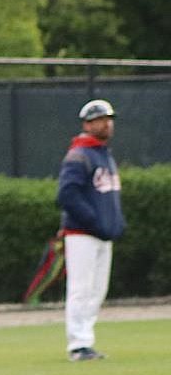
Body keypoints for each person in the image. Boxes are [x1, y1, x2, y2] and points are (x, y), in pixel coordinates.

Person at [58, 98, 124, 361]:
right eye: (100, 119)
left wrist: (115, 223)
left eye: (109, 119)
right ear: (87, 124)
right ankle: (78, 344)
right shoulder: (79, 155)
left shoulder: (103, 155)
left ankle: (86, 339)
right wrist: (94, 221)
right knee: (80, 289)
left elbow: (109, 197)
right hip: (82, 233)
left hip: (101, 234)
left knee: (97, 290)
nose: (107, 124)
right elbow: (67, 195)